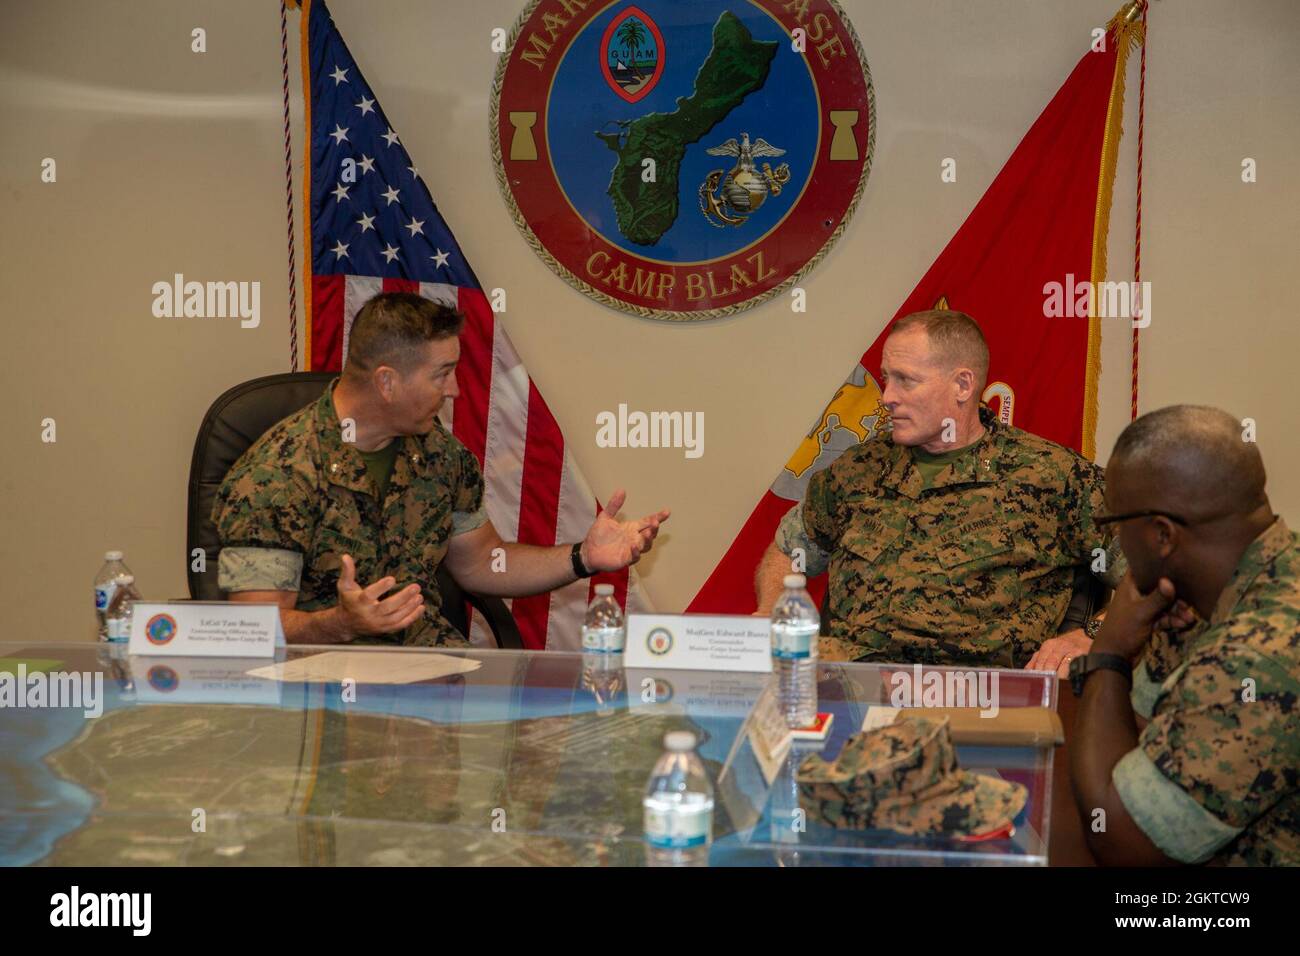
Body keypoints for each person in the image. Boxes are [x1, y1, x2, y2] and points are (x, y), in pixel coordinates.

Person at [213, 292, 669, 646]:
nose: (455, 390)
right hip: (321, 694)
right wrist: (339, 623)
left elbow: (483, 564)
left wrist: (582, 557)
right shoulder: (277, 474)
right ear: (387, 381)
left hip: (429, 675)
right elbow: (251, 628)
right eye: (442, 373)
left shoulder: (439, 455)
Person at [755, 309, 1124, 669]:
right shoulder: (857, 470)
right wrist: (771, 611)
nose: (887, 397)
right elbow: (788, 551)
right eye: (886, 378)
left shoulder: (1052, 477)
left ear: (962, 385)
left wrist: (1093, 634)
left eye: (905, 380)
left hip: (974, 706)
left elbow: (1159, 576)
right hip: (848, 692)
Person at [1069, 405, 1298, 865]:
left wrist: (1108, 654)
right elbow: (1140, 747)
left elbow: (1121, 842)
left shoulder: (1255, 656)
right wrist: (1156, 641)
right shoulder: (1250, 583)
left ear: (1162, 536)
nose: (1113, 542)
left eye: (1114, 524)